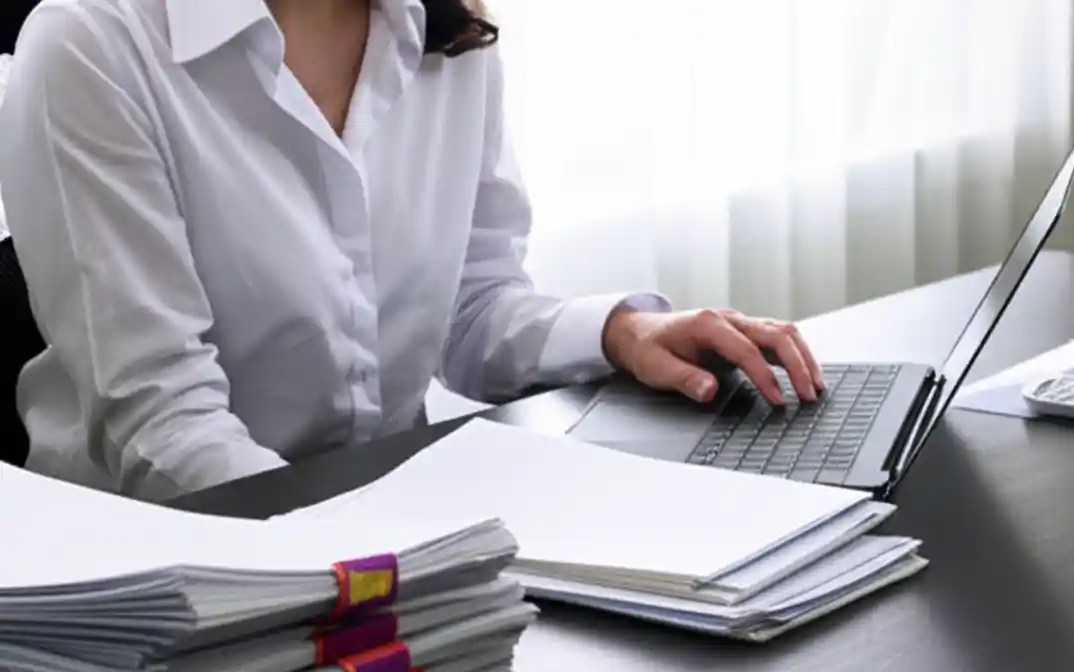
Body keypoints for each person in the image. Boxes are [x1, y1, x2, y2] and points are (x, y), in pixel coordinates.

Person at [0, 0, 824, 501]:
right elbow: (163, 424)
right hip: (159, 593)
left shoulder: (446, 35)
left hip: (386, 553)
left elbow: (470, 310)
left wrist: (620, 333)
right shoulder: (92, 47)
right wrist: (393, 572)